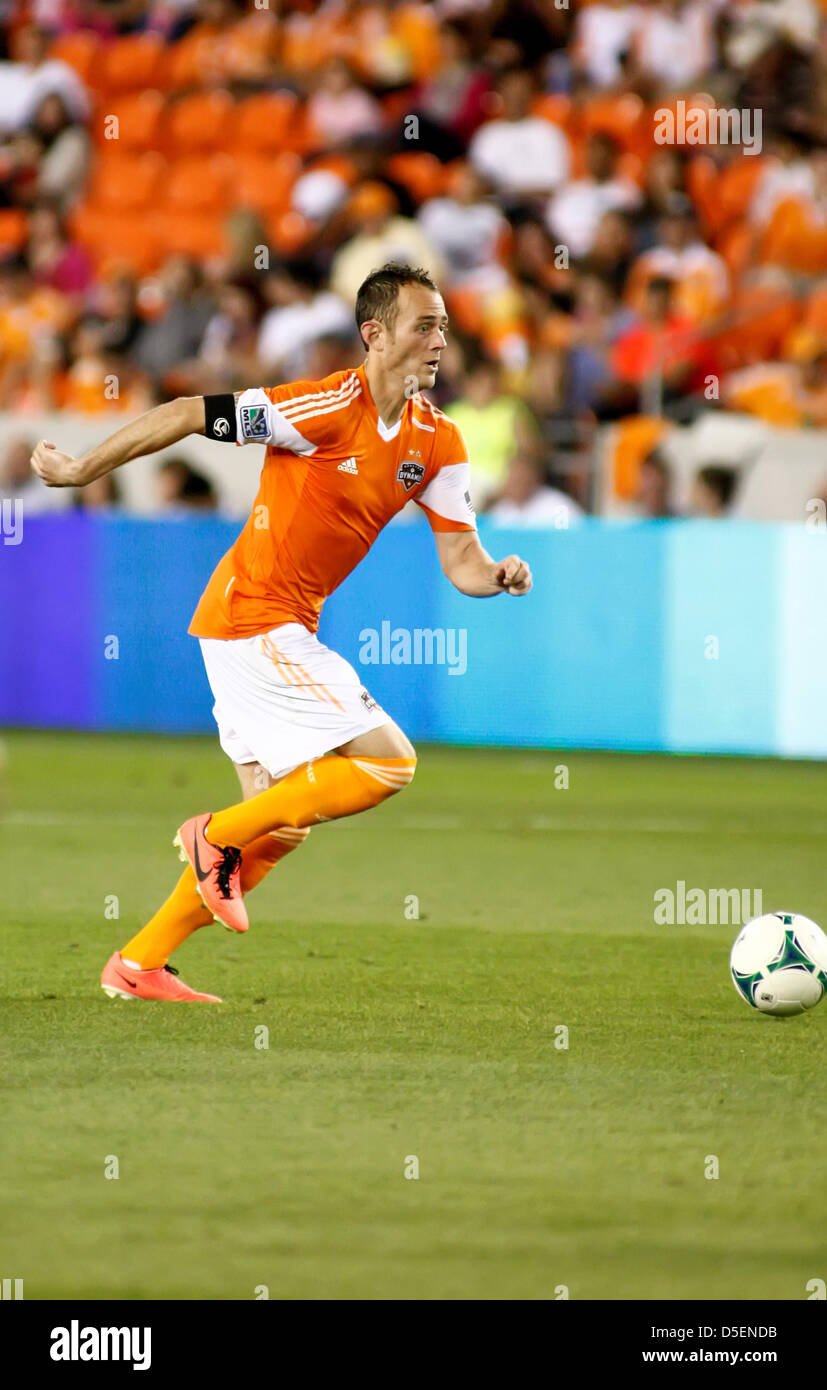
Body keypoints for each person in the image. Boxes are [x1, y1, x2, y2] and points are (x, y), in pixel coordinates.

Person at [30, 262, 532, 1004]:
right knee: (387, 765)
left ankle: (138, 965)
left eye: (443, 327)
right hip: (254, 616)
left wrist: (498, 575)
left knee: (278, 829)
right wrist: (83, 468)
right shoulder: (324, 406)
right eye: (423, 325)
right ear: (375, 334)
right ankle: (214, 832)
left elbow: (461, 559)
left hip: (259, 624)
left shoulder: (440, 440)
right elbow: (188, 412)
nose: (439, 340)